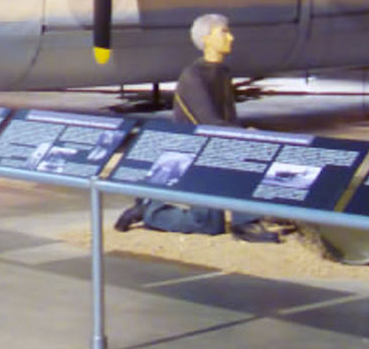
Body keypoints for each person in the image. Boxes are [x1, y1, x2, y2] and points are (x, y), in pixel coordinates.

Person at [115, 13, 282, 243]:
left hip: (212, 148)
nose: (231, 37)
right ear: (206, 39)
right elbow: (210, 123)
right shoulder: (193, 76)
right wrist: (244, 135)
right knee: (207, 224)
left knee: (211, 218)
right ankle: (151, 212)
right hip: (195, 153)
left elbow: (226, 120)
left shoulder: (221, 73)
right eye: (223, 32)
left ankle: (245, 221)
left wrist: (245, 133)